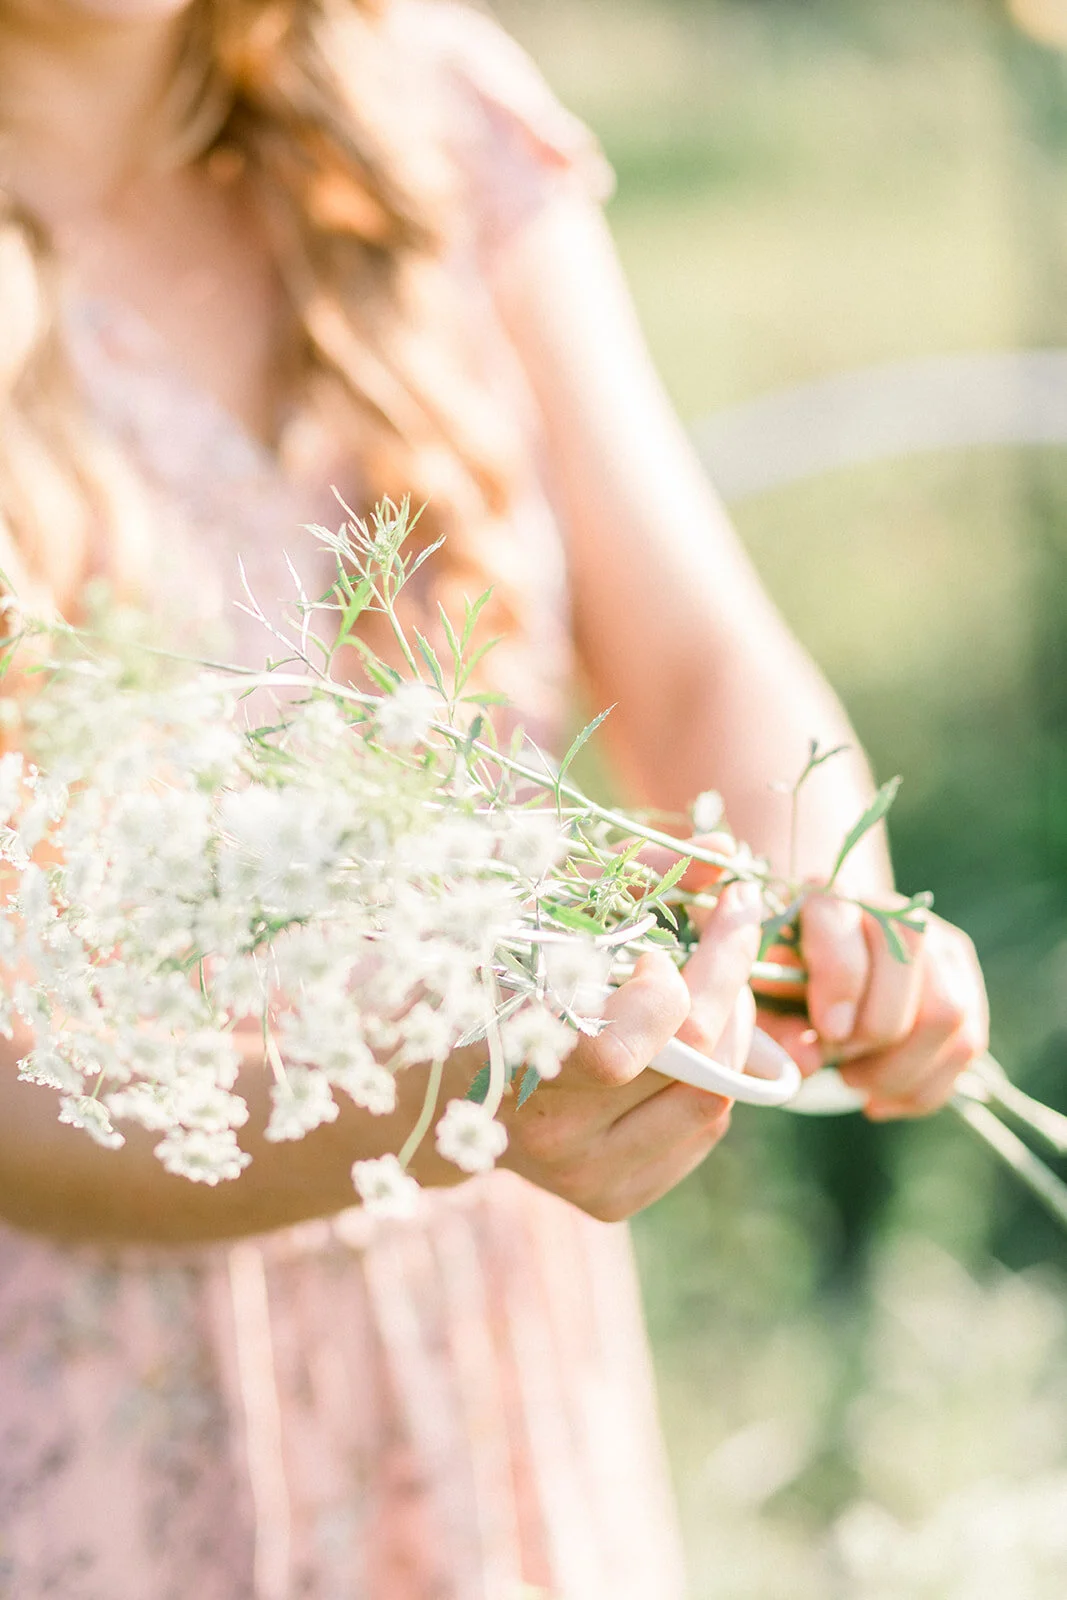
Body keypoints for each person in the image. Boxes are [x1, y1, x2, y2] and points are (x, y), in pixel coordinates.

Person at [0, 1, 989, 1595]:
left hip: (489, 1365)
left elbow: (688, 663)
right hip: (79, 1420)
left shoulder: (428, 110)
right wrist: (451, 1098)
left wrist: (821, 904)